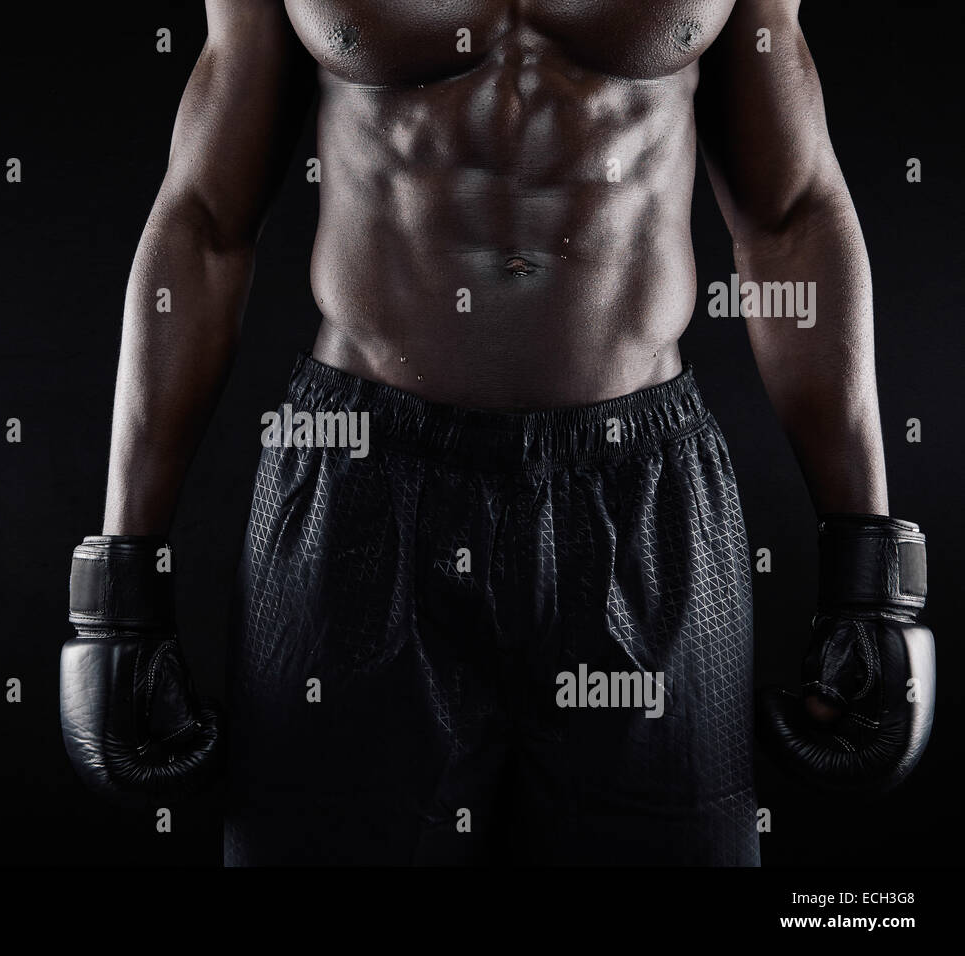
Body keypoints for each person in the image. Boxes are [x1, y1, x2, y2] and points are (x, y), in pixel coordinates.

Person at [59, 0, 934, 865]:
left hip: (642, 501)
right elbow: (206, 221)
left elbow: (791, 218)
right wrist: (121, 575)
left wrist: (872, 565)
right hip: (361, 496)